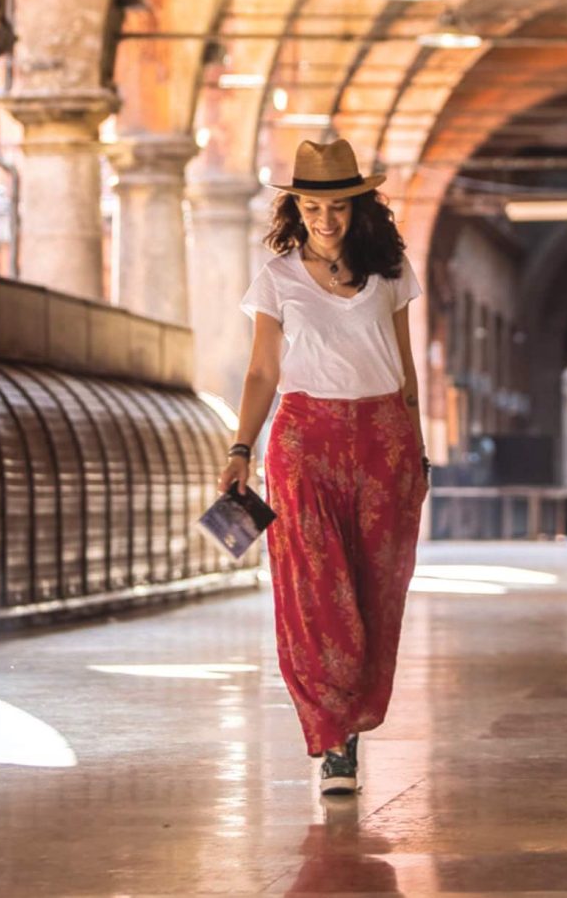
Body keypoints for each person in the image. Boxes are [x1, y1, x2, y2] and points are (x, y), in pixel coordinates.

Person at [220, 137, 430, 798]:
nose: (324, 219)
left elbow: (407, 372)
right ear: (297, 208)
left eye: (336, 205)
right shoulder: (276, 279)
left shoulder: (391, 271)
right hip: (303, 442)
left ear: (358, 206)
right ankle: (334, 739)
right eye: (311, 205)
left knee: (374, 590)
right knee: (316, 589)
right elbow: (261, 371)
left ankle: (353, 720)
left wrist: (417, 452)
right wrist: (240, 447)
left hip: (383, 442)